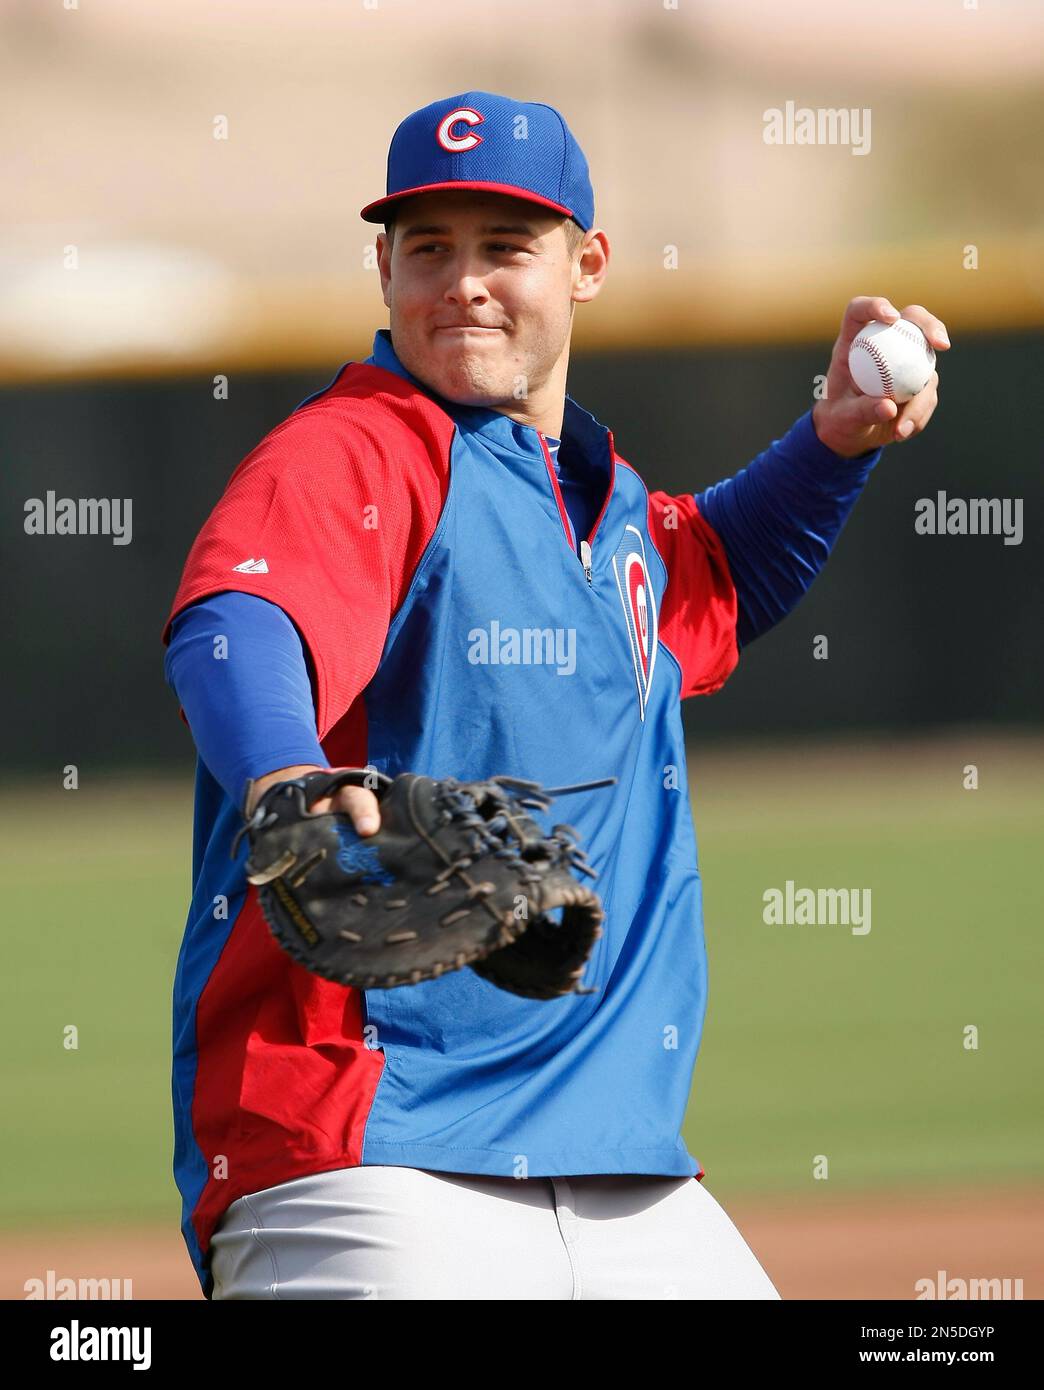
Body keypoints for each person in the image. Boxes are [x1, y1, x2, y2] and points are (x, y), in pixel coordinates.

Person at [162, 91, 948, 1300]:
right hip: (372, 1154)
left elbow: (713, 578)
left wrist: (834, 443)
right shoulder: (361, 448)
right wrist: (283, 770)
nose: (463, 282)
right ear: (383, 269)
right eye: (429, 247)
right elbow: (240, 619)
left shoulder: (606, 502)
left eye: (504, 246)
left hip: (628, 1168)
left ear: (586, 266)